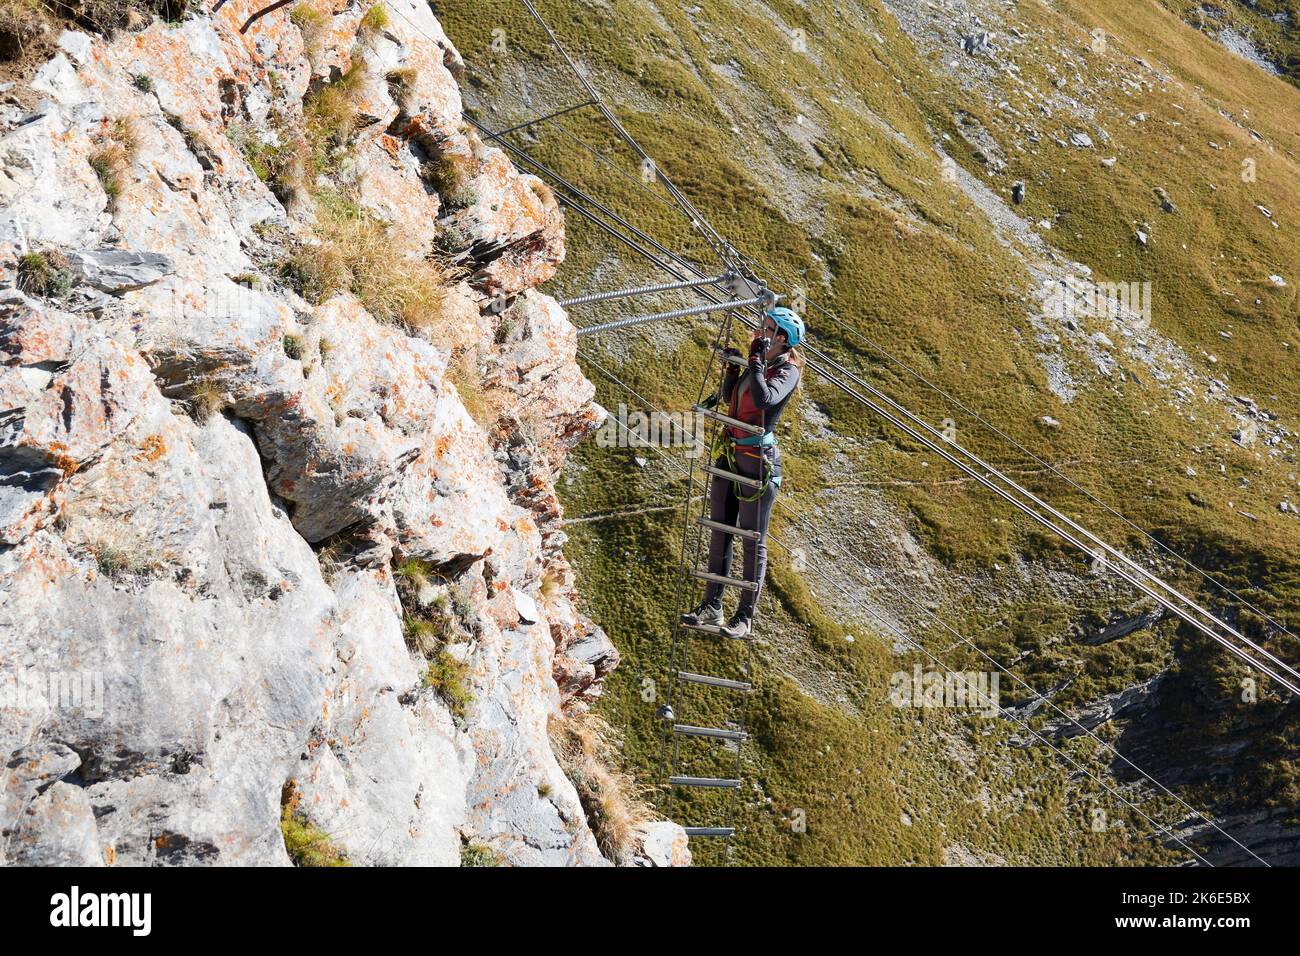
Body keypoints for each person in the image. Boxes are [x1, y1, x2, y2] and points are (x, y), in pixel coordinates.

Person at [682, 307, 804, 638]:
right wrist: (732, 371)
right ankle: (712, 606)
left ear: (780, 339)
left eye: (764, 328)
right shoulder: (761, 363)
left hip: (757, 459)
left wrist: (754, 361)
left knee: (753, 539)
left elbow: (765, 400)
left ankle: (744, 616)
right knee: (720, 528)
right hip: (733, 451)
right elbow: (731, 398)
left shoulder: (787, 371)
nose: (757, 332)